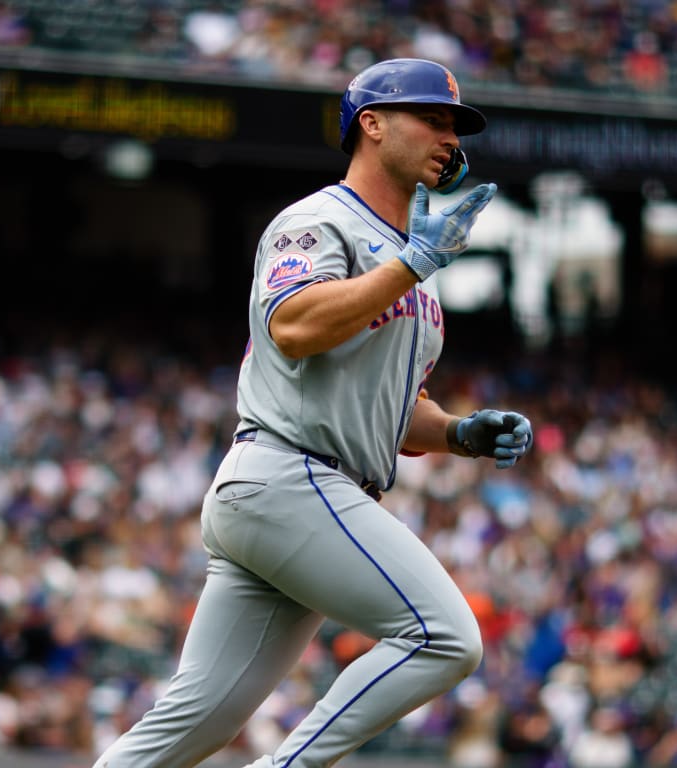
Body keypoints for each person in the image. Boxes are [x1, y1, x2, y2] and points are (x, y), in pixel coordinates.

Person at [91, 57, 533, 768]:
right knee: (444, 635)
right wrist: (412, 265)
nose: (449, 137)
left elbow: (388, 409)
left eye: (455, 126)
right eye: (433, 118)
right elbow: (293, 327)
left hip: (297, 494)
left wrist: (457, 433)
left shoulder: (407, 257)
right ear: (373, 122)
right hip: (288, 475)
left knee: (189, 726)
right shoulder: (319, 221)